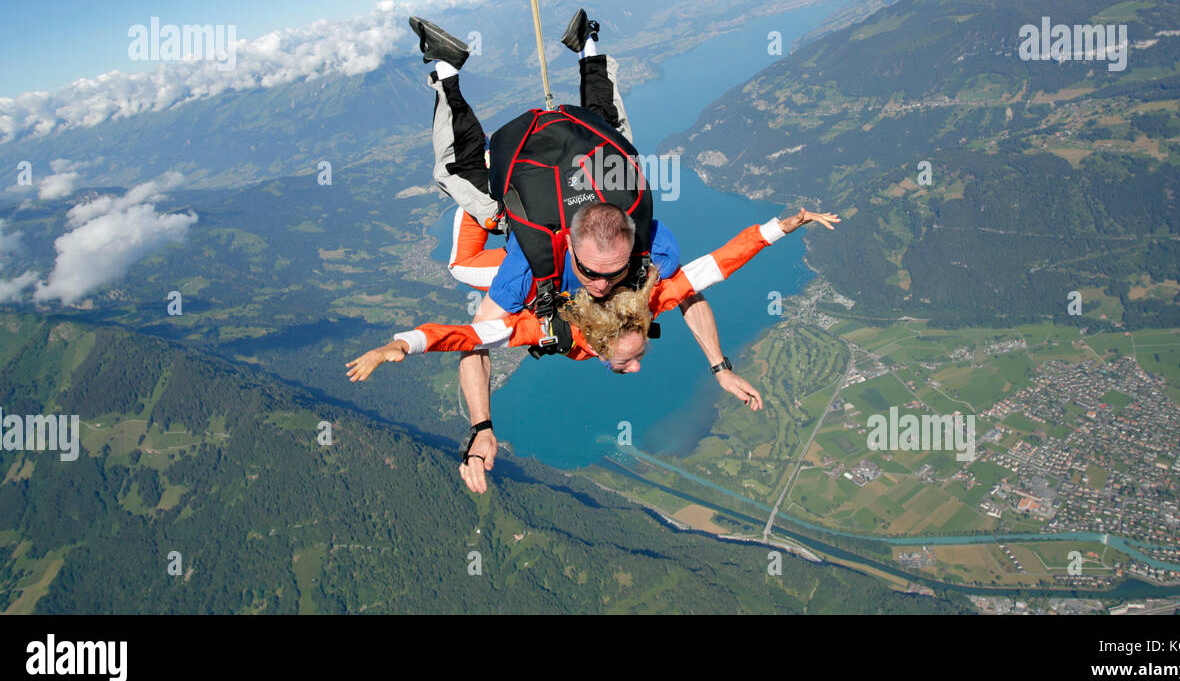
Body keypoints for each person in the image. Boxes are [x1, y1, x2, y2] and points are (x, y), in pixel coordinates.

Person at [409, 10, 765, 466]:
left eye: (611, 274)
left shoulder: (648, 247)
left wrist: (720, 368)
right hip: (528, 157)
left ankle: (589, 46)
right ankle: (445, 70)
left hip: (580, 158)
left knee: (611, 137)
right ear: (570, 247)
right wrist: (481, 428)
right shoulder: (534, 265)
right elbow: (475, 341)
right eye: (596, 274)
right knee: (458, 175)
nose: (600, 283)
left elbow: (688, 295)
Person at [345, 207, 840, 492]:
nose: (637, 364)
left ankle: (592, 62)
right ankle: (488, 202)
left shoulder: (643, 304)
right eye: (633, 358)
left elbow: (717, 266)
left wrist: (786, 225)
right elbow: (470, 339)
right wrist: (402, 345)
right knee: (461, 267)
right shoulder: (545, 330)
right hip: (553, 248)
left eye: (631, 357)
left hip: (583, 240)